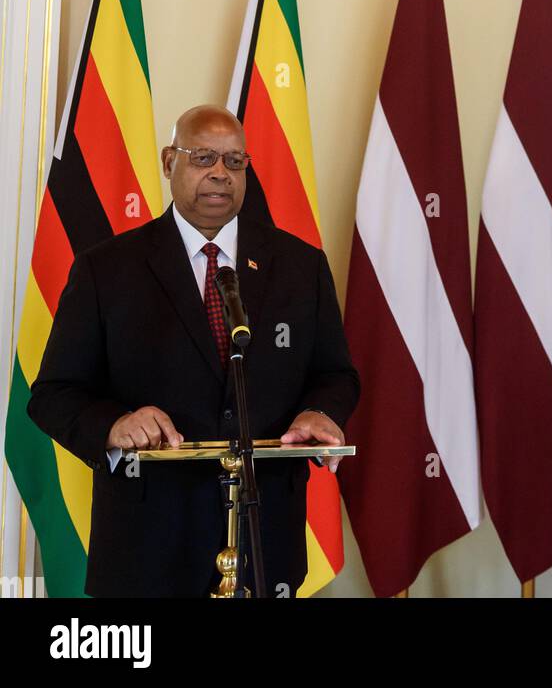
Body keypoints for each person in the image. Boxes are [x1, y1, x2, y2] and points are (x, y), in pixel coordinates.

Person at [28, 105, 360, 598]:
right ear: (169, 162)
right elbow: (53, 394)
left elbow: (336, 375)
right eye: (203, 157)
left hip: (264, 540)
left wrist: (319, 410)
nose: (220, 174)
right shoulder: (108, 269)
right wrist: (115, 426)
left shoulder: (300, 266)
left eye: (235, 161)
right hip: (146, 545)